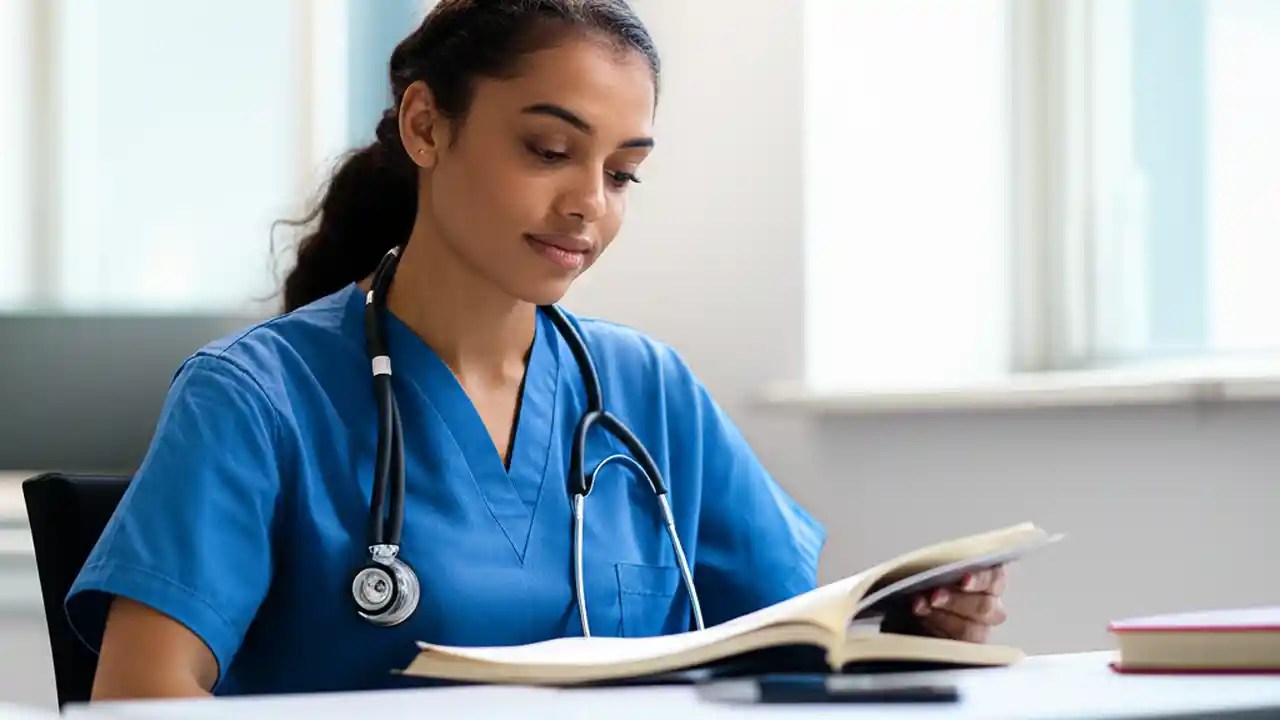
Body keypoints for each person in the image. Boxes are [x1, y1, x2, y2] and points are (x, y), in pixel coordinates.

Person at [65, 0, 1009, 700]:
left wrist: (908, 632)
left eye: (623, 172)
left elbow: (786, 654)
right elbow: (142, 703)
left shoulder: (651, 392)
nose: (589, 204)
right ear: (427, 125)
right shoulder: (256, 400)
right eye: (549, 151)